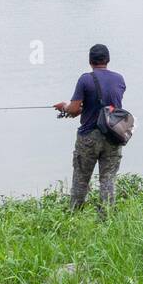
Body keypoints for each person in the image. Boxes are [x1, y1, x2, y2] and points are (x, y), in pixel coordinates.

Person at [53, 43, 127, 215]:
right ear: (108, 59)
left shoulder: (85, 79)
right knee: (108, 179)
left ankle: (74, 216)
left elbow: (74, 109)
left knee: (81, 180)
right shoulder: (119, 79)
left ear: (90, 61)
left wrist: (64, 107)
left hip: (88, 137)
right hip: (113, 135)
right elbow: (108, 105)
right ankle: (106, 217)